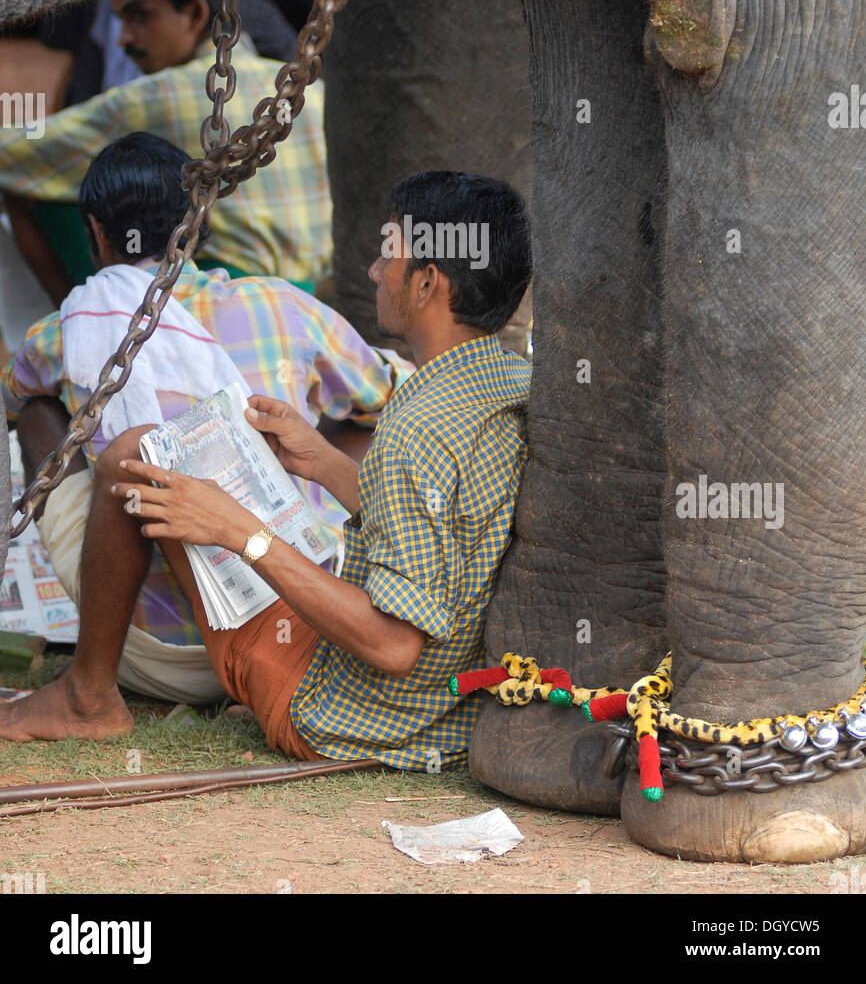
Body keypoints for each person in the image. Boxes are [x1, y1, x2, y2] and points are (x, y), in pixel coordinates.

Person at [0, 172, 533, 770]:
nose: (374, 271)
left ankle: (86, 696)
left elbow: (393, 644)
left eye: (389, 254)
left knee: (134, 454)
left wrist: (239, 532)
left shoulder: (415, 429)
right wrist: (321, 461)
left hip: (338, 709)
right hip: (435, 706)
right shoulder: (503, 381)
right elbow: (438, 525)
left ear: (428, 282)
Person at [1, 133, 409, 704]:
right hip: (302, 628)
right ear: (201, 219)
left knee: (41, 414)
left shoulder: (67, 329)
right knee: (366, 413)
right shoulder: (282, 304)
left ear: (95, 233)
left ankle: (91, 676)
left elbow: (15, 396)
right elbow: (395, 392)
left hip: (150, 655)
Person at [0, 0, 331, 311]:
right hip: (305, 294)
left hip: (220, 296)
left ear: (194, 14)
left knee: (29, 185)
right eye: (121, 22)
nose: (124, 39)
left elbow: (14, 154)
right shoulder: (307, 92)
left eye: (139, 17)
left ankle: (79, 317)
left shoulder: (155, 96)